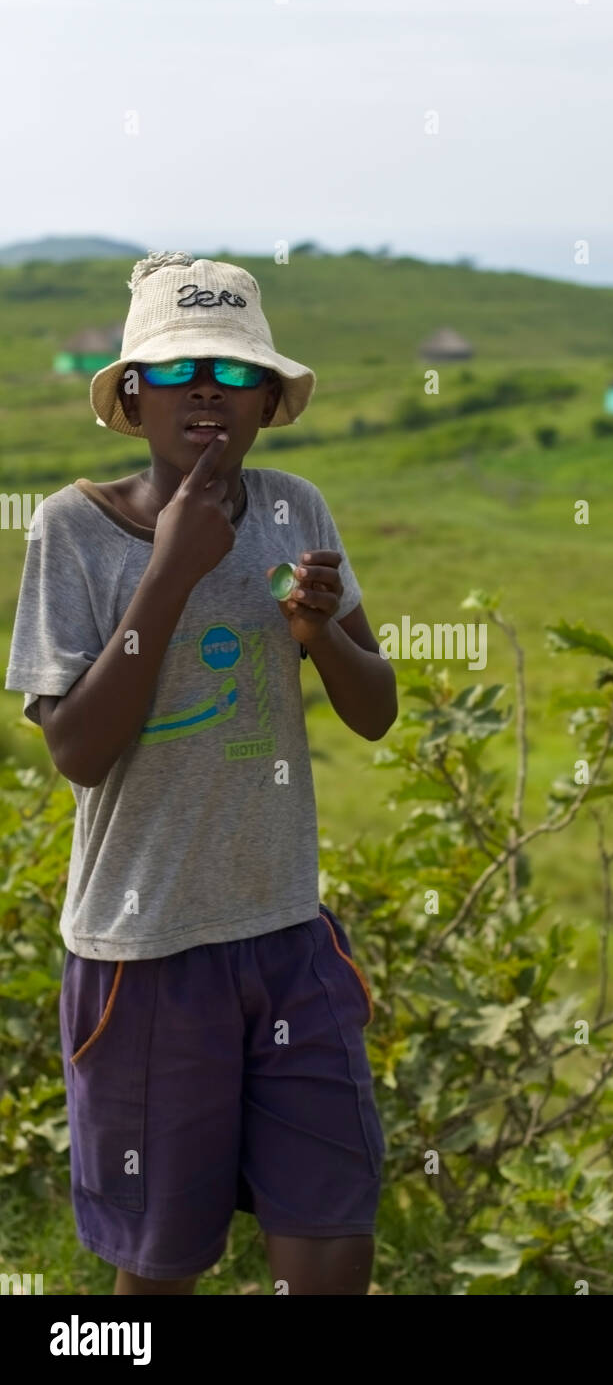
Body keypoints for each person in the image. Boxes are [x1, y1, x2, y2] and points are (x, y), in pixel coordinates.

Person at [4, 250, 397, 1295]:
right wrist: (173, 569)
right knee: (160, 1268)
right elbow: (78, 751)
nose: (208, 395)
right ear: (133, 398)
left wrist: (320, 633)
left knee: (331, 1237)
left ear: (270, 396)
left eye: (233, 373)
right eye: (179, 373)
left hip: (285, 936)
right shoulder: (74, 531)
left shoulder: (293, 509)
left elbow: (375, 710)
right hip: (146, 955)